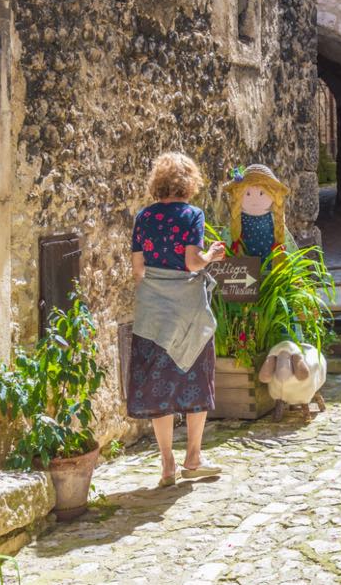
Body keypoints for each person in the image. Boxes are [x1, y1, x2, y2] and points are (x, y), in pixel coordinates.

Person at [129, 152, 227, 486]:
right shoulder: (192, 215)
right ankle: (194, 456)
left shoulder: (143, 217)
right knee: (196, 380)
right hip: (188, 310)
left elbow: (138, 270)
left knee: (160, 385)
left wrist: (159, 289)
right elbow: (192, 263)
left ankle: (167, 463)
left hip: (153, 312)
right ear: (188, 182)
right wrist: (211, 255)